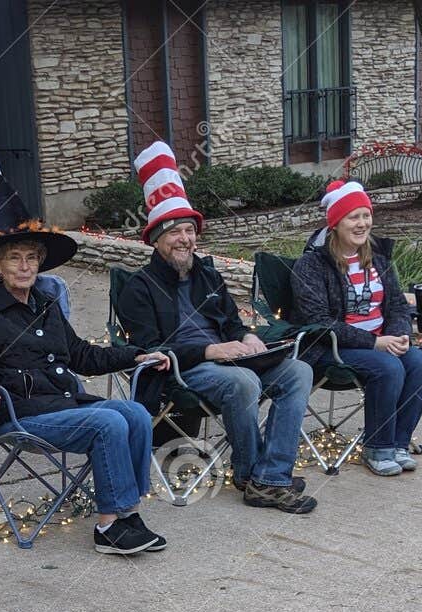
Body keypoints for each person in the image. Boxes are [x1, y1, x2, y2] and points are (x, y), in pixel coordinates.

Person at [0, 197, 172, 556]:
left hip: (63, 404)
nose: (24, 266)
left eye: (31, 257)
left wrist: (135, 354)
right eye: (14, 258)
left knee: (135, 413)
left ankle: (129, 516)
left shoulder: (47, 305)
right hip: (20, 414)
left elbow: (82, 355)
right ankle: (107, 528)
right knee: (107, 423)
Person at [115, 141, 316, 515]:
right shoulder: (139, 288)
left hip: (233, 359)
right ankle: (254, 477)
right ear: (156, 239)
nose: (185, 239)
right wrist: (211, 350)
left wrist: (247, 337)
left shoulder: (207, 275)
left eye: (189, 231)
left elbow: (232, 323)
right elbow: (148, 349)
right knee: (244, 382)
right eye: (175, 232)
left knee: (299, 371)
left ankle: (269, 475)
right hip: (182, 370)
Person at [289, 179, 422, 477]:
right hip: (331, 349)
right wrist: (374, 343)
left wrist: (400, 334)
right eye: (354, 217)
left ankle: (398, 444)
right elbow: (320, 321)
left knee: (419, 363)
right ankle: (377, 447)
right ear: (336, 223)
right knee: (388, 367)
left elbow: (397, 305)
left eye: (366, 215)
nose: (362, 223)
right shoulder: (311, 266)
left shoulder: (378, 260)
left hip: (381, 342)